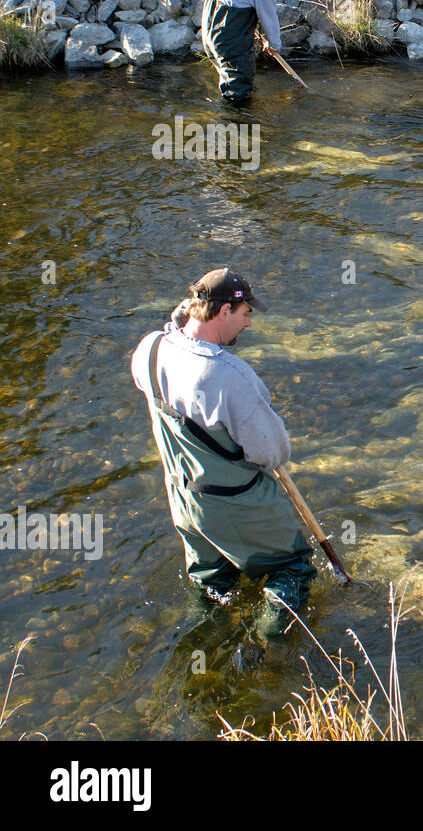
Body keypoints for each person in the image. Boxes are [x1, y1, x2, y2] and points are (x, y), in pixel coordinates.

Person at [131, 268, 315, 634]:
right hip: (235, 504)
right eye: (246, 313)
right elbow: (274, 453)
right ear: (225, 312)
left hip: (184, 502)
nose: (248, 324)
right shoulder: (231, 376)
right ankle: (263, 648)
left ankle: (205, 645)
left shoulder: (149, 350)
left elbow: (173, 338)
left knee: (211, 582)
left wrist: (180, 322)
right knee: (292, 569)